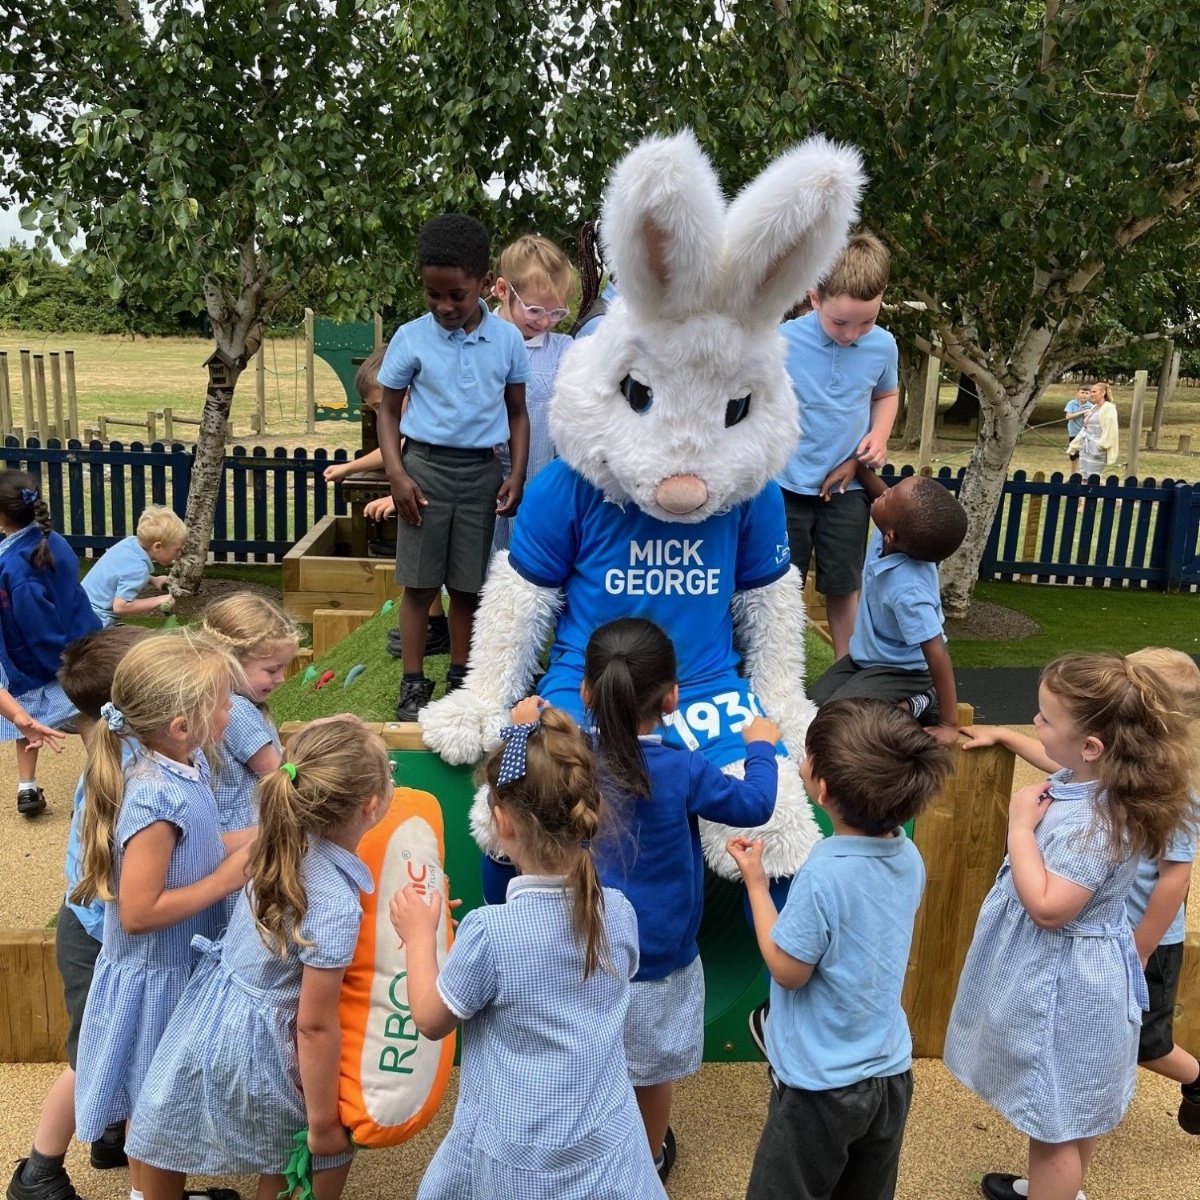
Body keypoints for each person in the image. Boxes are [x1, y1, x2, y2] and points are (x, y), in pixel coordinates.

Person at [945, 654, 1195, 1200]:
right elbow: (1051, 761)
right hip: (1079, 975)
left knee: (1052, 1124)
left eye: (1044, 718)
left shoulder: (1093, 824)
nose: (1033, 724)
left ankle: (1053, 1189)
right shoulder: (1092, 783)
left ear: (1091, 748)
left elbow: (1049, 906)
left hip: (1065, 985)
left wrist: (1019, 827)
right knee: (1072, 1110)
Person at [389, 705, 665, 1199]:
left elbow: (431, 1019)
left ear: (501, 822)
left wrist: (417, 938)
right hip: (606, 1139)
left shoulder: (489, 933)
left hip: (522, 1153)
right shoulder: (620, 912)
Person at [545, 617, 780, 1181]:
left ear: (585, 693)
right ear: (672, 697)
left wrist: (524, 729)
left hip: (581, 947)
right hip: (661, 953)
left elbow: (512, 783)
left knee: (583, 1059)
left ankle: (584, 1151)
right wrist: (761, 748)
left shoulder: (569, 761)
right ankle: (646, 1162)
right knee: (650, 1072)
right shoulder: (681, 767)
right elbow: (754, 805)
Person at [126, 718, 394, 1200]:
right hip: (268, 1046)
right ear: (371, 806)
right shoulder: (333, 902)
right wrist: (323, 1123)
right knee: (307, 1150)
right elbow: (314, 1025)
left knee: (170, 1131)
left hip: (209, 1016)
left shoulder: (278, 837)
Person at [727, 699, 953, 1200]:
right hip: (889, 1070)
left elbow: (788, 971)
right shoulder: (907, 854)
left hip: (819, 1086)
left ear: (821, 788)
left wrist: (758, 888)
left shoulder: (824, 874)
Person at [71, 630, 254, 1200]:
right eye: (224, 704)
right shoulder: (154, 797)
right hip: (157, 981)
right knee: (159, 1121)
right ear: (182, 725)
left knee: (157, 1117)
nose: (233, 713)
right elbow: (138, 911)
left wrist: (270, 833)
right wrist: (224, 881)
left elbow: (201, 844)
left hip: (176, 972)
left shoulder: (186, 763)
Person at [6, 625, 149, 1200]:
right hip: (97, 941)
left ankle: (113, 1137)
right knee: (91, 1056)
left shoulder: (123, 754)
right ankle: (38, 1172)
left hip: (101, 934)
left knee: (129, 1050)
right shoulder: (126, 776)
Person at [376, 213, 531, 722]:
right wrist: (397, 475)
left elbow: (517, 411)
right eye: (433, 294)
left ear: (486, 284)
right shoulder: (411, 338)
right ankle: (413, 683)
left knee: (467, 586)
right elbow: (389, 410)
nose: (444, 306)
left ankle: (464, 677)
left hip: (481, 475)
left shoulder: (507, 341)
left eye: (456, 295)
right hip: (423, 472)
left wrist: (517, 472)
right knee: (420, 586)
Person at [774, 232, 899, 659]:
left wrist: (877, 438)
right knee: (779, 584)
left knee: (844, 586)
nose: (852, 334)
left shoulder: (883, 346)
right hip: (784, 486)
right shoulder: (782, 341)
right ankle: (776, 668)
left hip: (847, 489)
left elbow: (886, 395)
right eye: (840, 322)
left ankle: (847, 672)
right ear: (813, 298)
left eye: (866, 321)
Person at [810, 463, 967, 745]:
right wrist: (858, 469)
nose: (883, 492)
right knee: (813, 704)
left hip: (906, 672)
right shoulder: (892, 533)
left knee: (837, 718)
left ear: (891, 535)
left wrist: (948, 723)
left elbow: (936, 652)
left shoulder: (909, 590)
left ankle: (919, 702)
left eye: (889, 495)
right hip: (867, 658)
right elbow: (887, 499)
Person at [0, 470, 100, 817]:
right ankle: (36, 788)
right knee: (86, 716)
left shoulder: (14, 565)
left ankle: (96, 791)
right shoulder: (50, 540)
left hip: (47, 660)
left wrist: (51, 663)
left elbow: (35, 623)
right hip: (74, 645)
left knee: (30, 719)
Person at [489, 234, 576, 552]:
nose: (545, 322)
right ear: (502, 290)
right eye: (536, 310)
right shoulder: (478, 342)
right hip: (481, 486)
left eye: (557, 314)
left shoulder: (564, 351)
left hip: (539, 489)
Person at [200, 592, 297, 832]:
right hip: (244, 830)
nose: (281, 678)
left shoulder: (226, 701)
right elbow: (276, 774)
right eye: (272, 669)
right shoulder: (237, 710)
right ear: (230, 661)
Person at [81, 506, 187, 626]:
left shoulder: (130, 543)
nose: (178, 554)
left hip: (81, 608)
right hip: (95, 620)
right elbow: (121, 606)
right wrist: (158, 600)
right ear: (157, 547)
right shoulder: (138, 569)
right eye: (177, 549)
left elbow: (122, 570)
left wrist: (153, 579)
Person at [1068, 381, 1119, 479]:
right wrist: (1074, 445)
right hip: (1086, 448)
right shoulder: (1094, 408)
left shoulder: (1108, 408)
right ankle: (1083, 494)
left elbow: (1110, 430)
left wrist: (1100, 445)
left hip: (1097, 448)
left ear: (1103, 393)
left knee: (1093, 478)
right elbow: (1085, 428)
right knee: (1083, 476)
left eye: (1094, 392)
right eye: (1091, 392)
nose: (1091, 394)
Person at [1063, 384, 1093, 466]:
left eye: (1087, 393)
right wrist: (1082, 412)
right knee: (1073, 456)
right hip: (1073, 433)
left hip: (1085, 434)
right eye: (1082, 392)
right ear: (1078, 393)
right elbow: (1068, 417)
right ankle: (1073, 476)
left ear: (1090, 395)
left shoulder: (1091, 407)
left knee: (1084, 455)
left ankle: (1083, 476)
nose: (1084, 395)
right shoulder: (1071, 403)